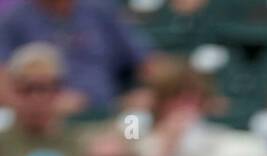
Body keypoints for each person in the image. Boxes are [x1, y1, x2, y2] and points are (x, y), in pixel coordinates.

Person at [0, 0, 153, 113]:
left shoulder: (100, 10)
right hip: (47, 120)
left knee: (133, 129)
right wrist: (44, 103)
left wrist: (152, 93)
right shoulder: (14, 21)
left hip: (109, 111)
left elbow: (147, 62)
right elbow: (3, 84)